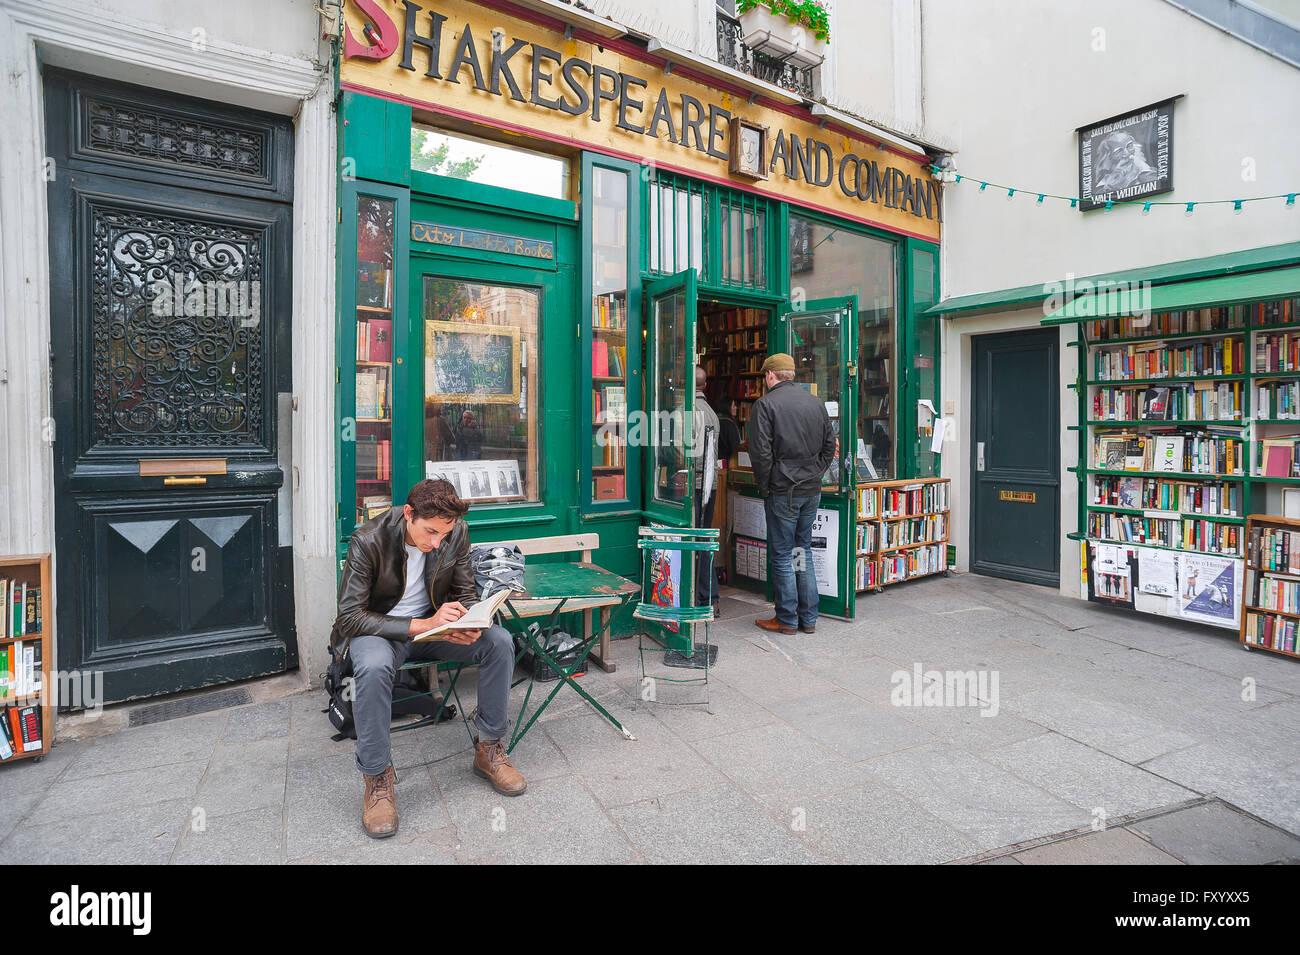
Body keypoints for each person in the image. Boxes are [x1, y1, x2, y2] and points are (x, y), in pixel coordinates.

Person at [330, 479, 526, 839]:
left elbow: (465, 591)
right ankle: (377, 777)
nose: (437, 542)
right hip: (381, 633)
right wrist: (422, 624)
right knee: (372, 668)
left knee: (498, 641)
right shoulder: (368, 540)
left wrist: (465, 622)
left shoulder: (456, 530)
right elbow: (349, 617)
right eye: (430, 532)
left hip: (435, 630)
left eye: (444, 534)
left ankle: (489, 748)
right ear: (408, 514)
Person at [747, 353, 836, 635]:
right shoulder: (815, 403)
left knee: (784, 554)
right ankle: (807, 618)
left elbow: (760, 453)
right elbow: (830, 446)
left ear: (770, 375)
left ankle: (786, 618)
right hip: (811, 490)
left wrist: (766, 486)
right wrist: (816, 473)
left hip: (783, 491)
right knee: (802, 550)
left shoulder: (765, 405)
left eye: (764, 376)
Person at [692, 366, 721, 606]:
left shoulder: (689, 411)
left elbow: (684, 452)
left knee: (693, 539)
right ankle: (709, 594)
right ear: (705, 385)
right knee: (704, 539)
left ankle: (700, 594)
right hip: (711, 484)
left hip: (695, 483)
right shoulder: (711, 411)